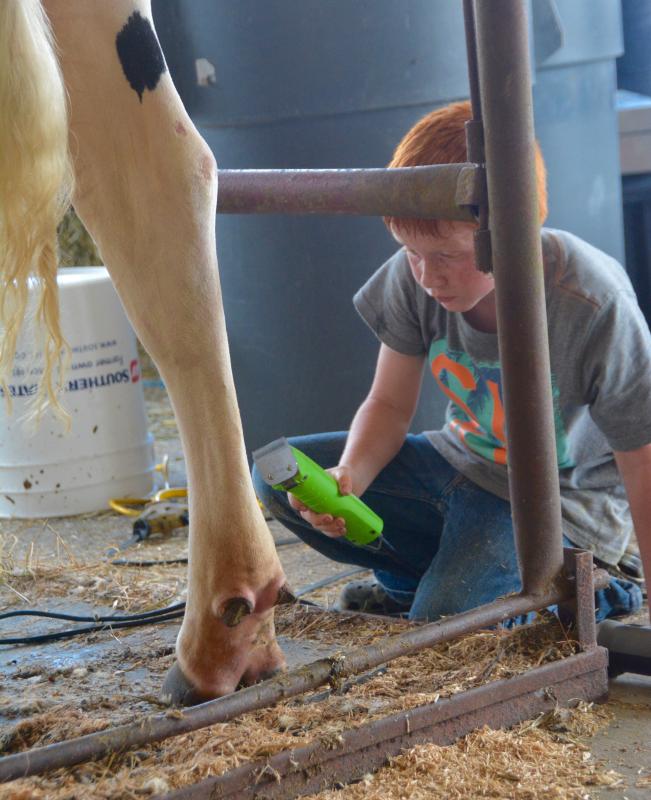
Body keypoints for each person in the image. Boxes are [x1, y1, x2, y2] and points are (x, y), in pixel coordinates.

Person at [252, 100, 647, 623]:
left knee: (444, 627)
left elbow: (642, 460)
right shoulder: (413, 277)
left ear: (515, 228)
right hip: (457, 464)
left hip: (561, 508)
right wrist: (349, 477)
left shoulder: (592, 305)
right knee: (276, 482)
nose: (426, 275)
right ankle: (423, 587)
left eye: (447, 256)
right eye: (410, 251)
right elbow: (389, 404)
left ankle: (598, 589)